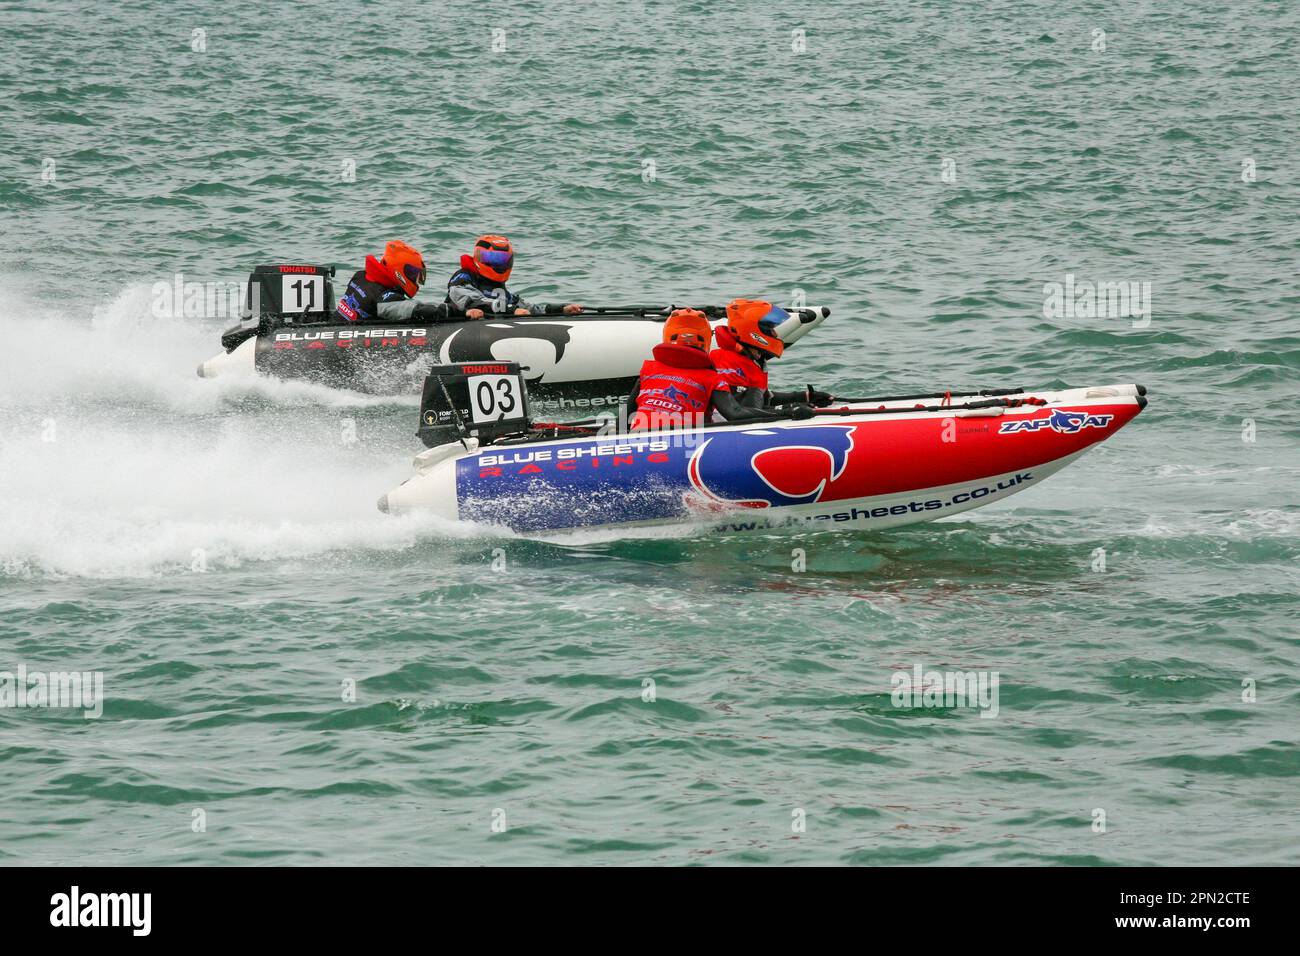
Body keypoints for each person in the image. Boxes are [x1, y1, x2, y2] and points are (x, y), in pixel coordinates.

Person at [628, 309, 811, 430]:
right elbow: (735, 414)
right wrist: (787, 413)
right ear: (706, 340)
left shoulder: (648, 369)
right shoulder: (712, 377)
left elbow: (627, 416)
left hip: (641, 440)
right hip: (682, 445)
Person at [710, 299, 833, 409]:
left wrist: (805, 397)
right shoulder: (725, 360)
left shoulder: (750, 358)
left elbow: (763, 397)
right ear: (752, 331)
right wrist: (790, 408)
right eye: (769, 328)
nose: (774, 333)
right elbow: (743, 410)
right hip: (710, 426)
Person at [445, 235, 583, 318]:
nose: (497, 264)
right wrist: (512, 310)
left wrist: (561, 309)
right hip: (459, 326)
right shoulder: (463, 277)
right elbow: (470, 301)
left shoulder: (500, 290)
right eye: (492, 258)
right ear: (478, 258)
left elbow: (527, 308)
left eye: (502, 259)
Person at [336, 240, 449, 322]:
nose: (415, 279)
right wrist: (453, 311)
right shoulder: (385, 297)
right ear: (400, 271)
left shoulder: (360, 276)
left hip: (337, 323)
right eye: (414, 274)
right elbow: (418, 310)